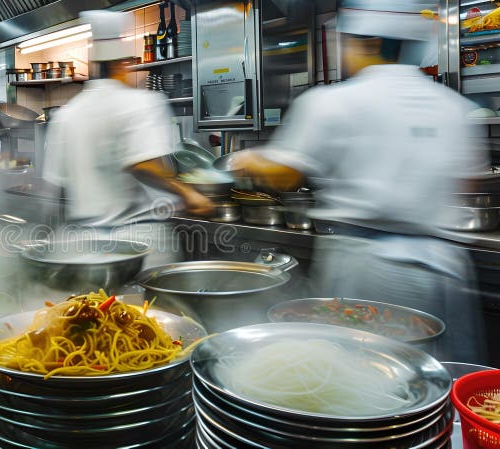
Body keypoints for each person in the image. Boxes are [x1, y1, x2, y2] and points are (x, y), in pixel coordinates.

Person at [232, 1, 489, 363]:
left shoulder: (333, 101)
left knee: (363, 378)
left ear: (367, 43)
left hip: (370, 271)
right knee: (435, 381)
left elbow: (286, 177)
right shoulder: (454, 107)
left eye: (346, 41)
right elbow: (468, 184)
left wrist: (246, 160)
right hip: (444, 267)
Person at [43, 10, 214, 268]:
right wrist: (188, 194)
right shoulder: (141, 102)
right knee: (152, 309)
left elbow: (55, 185)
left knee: (93, 307)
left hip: (86, 247)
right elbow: (144, 164)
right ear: (122, 63)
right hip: (141, 245)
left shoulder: (67, 115)